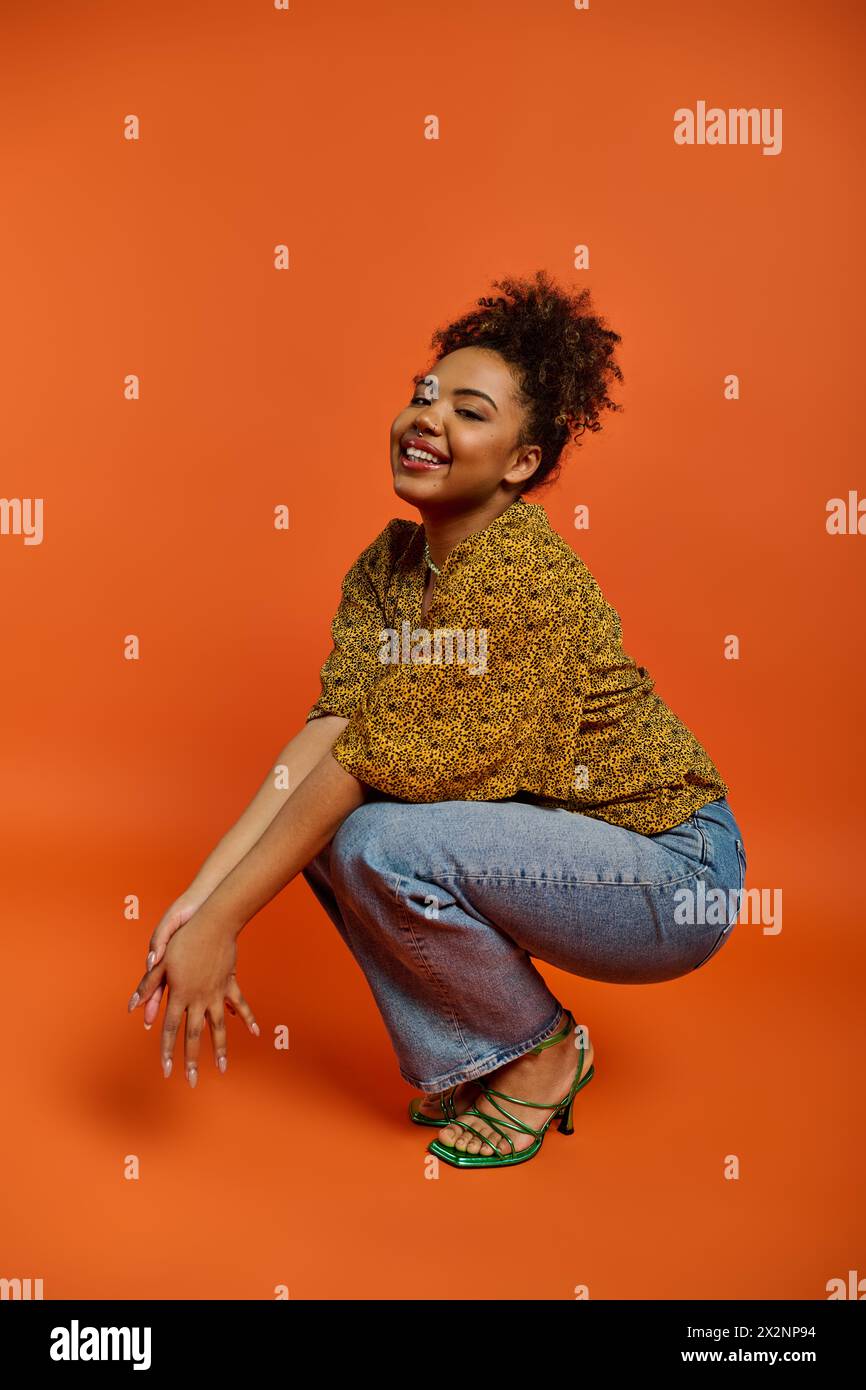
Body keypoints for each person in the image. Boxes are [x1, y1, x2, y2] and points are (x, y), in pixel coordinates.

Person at [126, 270, 748, 1172]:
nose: (427, 419)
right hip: (563, 840)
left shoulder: (518, 580)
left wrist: (226, 923)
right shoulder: (392, 565)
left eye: (468, 410)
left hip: (672, 871)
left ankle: (538, 1060)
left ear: (522, 462)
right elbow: (329, 737)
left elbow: (355, 774)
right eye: (423, 396)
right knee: (336, 836)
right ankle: (482, 1057)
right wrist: (199, 900)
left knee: (375, 840)